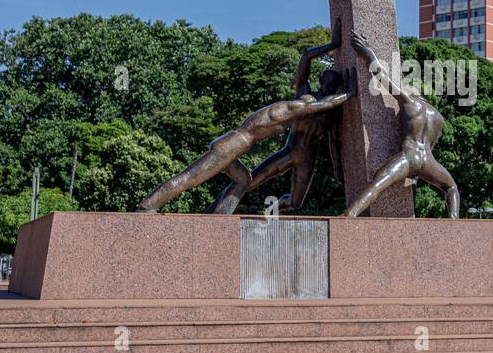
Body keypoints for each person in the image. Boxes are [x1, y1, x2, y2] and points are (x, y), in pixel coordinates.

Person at [137, 22, 353, 213]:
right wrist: (350, 93)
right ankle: (147, 207)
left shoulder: (310, 109)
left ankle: (216, 218)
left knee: (244, 181)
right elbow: (321, 95)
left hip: (243, 146)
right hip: (232, 145)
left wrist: (339, 170)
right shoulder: (299, 105)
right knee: (190, 179)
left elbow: (331, 129)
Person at [344, 30, 459, 218]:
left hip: (409, 157)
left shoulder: (410, 103)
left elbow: (382, 76)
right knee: (451, 186)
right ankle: (454, 222)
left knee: (377, 185)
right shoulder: (439, 118)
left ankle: (348, 216)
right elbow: (432, 145)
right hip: (428, 161)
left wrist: (367, 51)